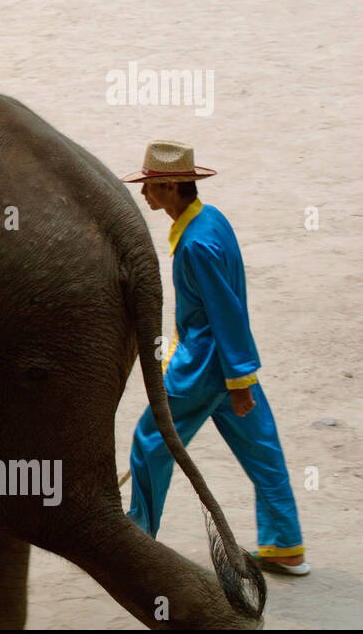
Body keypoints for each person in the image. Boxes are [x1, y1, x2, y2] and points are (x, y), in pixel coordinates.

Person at [121, 141, 308, 575]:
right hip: (227, 361)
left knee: (151, 441)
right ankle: (286, 546)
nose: (143, 194)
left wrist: (238, 382)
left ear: (169, 186)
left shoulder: (195, 245)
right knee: (263, 450)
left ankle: (137, 540)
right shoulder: (211, 220)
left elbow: (225, 313)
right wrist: (240, 377)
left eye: (149, 186)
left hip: (204, 367)